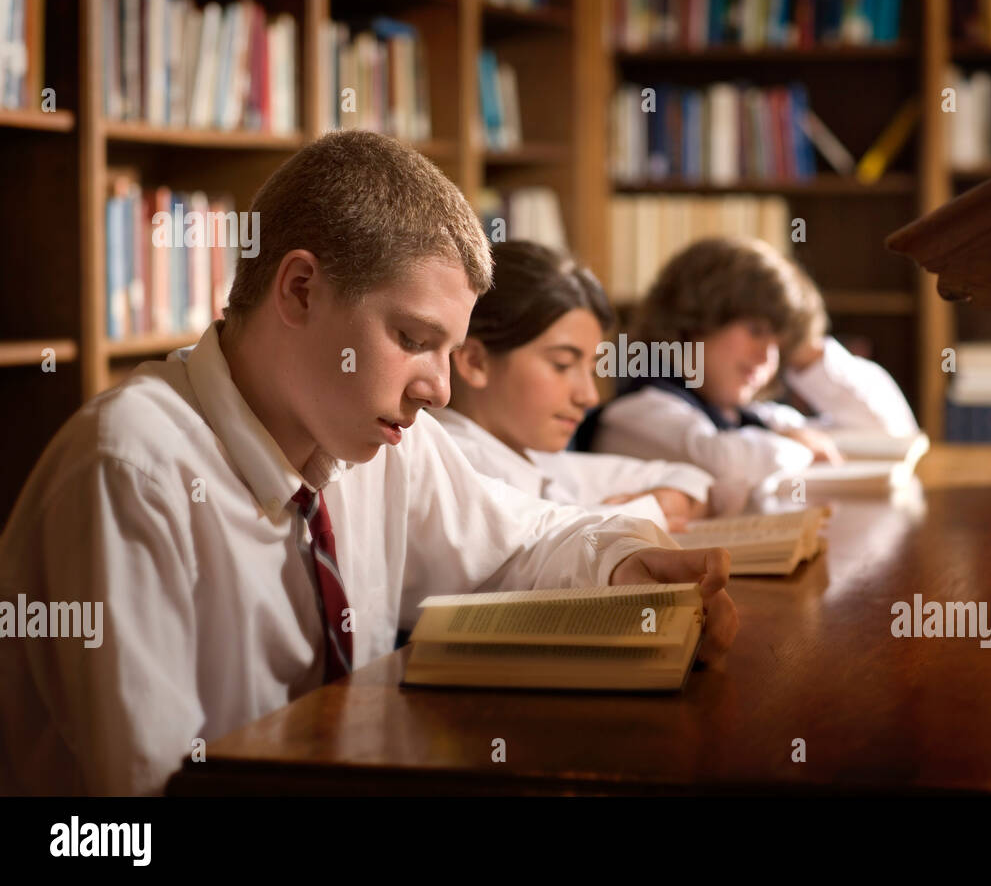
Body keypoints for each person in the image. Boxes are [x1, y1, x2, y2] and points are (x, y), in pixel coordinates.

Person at [0, 131, 736, 796]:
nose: (440, 389)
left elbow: (522, 540)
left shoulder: (372, 436)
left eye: (450, 352)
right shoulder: (131, 472)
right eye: (414, 339)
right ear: (299, 289)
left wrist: (626, 565)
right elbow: (150, 800)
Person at [586, 236, 917, 512]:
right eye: (756, 330)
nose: (767, 357)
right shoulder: (636, 412)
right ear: (691, 324)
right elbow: (727, 463)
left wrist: (807, 353)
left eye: (780, 344)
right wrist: (799, 446)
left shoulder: (753, 417)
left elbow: (889, 433)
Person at [435, 240, 714, 532]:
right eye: (562, 365)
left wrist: (667, 501)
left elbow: (695, 481)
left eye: (592, 370)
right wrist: (649, 511)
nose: (589, 397)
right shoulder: (449, 468)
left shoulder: (541, 460)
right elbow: (541, 542)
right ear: (476, 361)